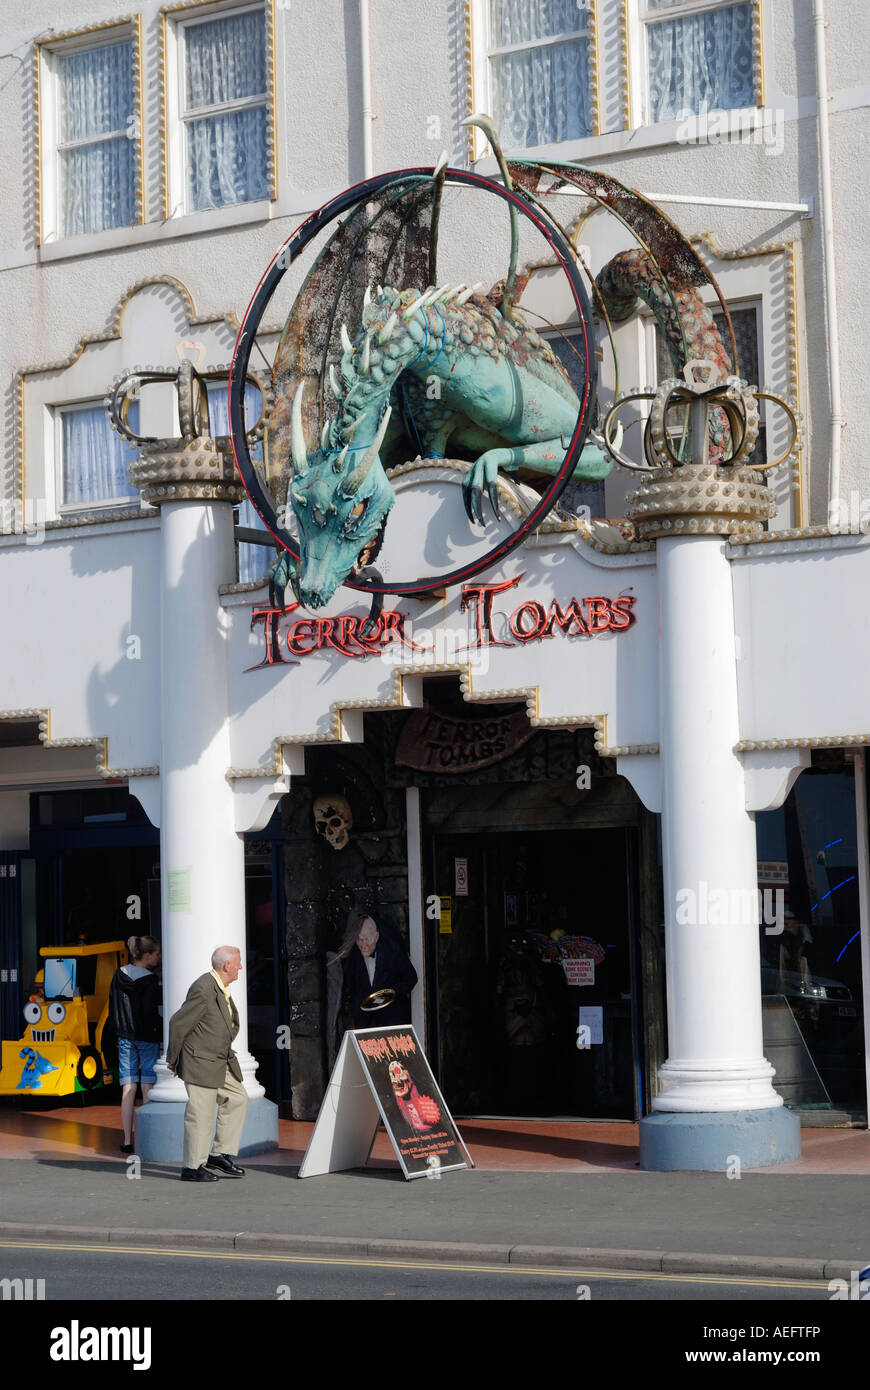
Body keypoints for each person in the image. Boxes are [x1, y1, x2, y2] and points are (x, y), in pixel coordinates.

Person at [166, 946, 248, 1183]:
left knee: (238, 1098)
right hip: (200, 1062)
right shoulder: (203, 988)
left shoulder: (220, 987)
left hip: (218, 1060)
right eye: (238, 962)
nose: (241, 967)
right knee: (201, 1116)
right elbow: (178, 1023)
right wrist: (173, 1058)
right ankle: (192, 1168)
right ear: (227, 965)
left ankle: (218, 1154)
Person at [108, 935, 161, 1154]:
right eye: (157, 953)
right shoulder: (150, 980)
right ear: (147, 955)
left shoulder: (118, 975)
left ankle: (127, 1140)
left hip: (124, 1037)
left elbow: (113, 1008)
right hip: (146, 1037)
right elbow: (150, 1013)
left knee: (128, 1087)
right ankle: (146, 1138)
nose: (159, 957)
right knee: (147, 1087)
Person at [342, 912, 418, 1029]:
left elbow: (411, 978)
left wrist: (390, 993)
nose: (363, 944)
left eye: (367, 939)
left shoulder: (393, 951)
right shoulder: (352, 957)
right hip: (366, 1025)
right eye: (359, 939)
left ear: (376, 937)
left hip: (393, 1022)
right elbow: (351, 989)